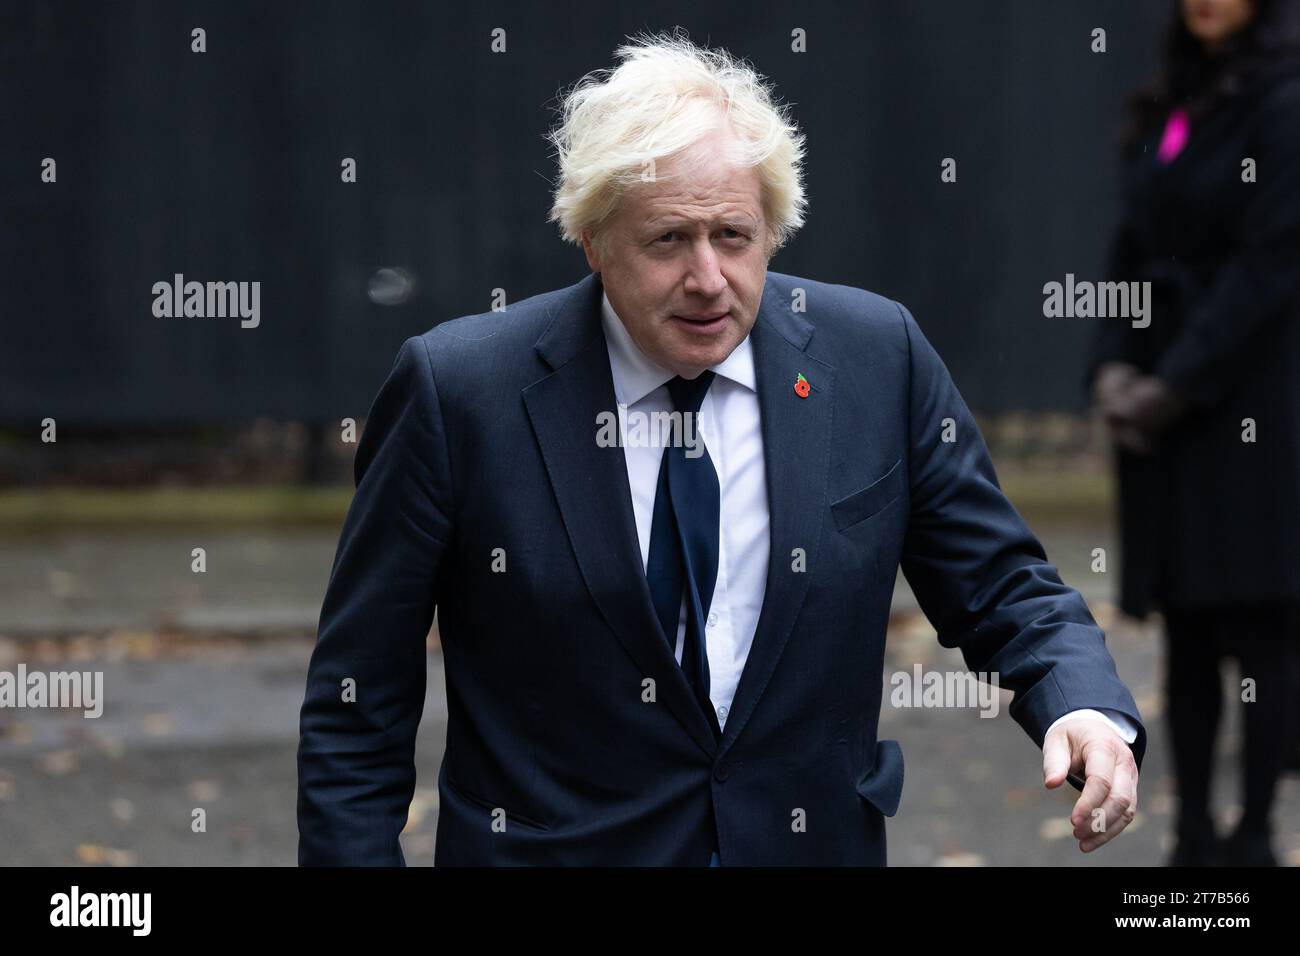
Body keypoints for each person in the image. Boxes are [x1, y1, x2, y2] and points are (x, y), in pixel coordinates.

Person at [298, 33, 1145, 866]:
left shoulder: (876, 358)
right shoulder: (460, 392)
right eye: (668, 240)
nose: (708, 277)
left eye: (734, 237)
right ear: (593, 242)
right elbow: (356, 702)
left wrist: (1084, 707)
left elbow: (1001, 582)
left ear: (772, 231)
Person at [1088, 0, 1300, 866]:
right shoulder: (1171, 99)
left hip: (1254, 404)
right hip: (1164, 414)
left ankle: (1252, 834)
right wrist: (1110, 364)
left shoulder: (1285, 101)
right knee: (1188, 630)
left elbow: (1272, 263)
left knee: (1263, 626)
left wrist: (1176, 384)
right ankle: (1190, 835)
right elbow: (1129, 245)